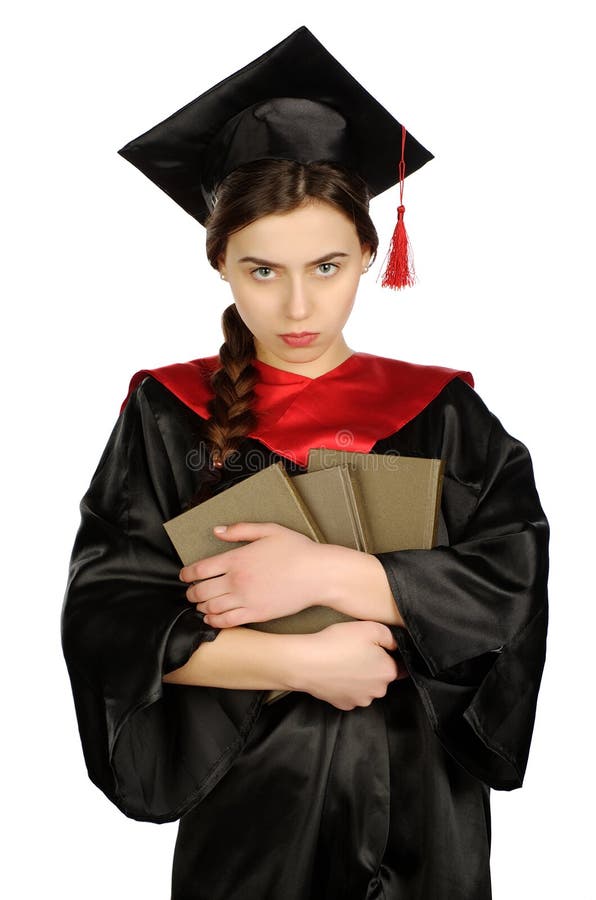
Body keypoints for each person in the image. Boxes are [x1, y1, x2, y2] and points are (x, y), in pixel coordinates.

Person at [61, 25, 549, 900]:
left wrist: (330, 574)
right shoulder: (166, 414)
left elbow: (512, 590)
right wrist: (296, 663)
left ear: (370, 254)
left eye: (327, 266)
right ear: (220, 263)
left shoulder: (446, 412)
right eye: (262, 270)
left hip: (429, 815)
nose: (296, 306)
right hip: (256, 815)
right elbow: (106, 620)